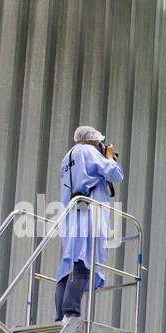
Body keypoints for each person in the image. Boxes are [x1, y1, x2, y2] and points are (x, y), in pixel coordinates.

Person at [57, 124, 124, 322]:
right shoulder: (88, 151)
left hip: (72, 215)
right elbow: (115, 174)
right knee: (84, 262)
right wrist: (110, 156)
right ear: (93, 140)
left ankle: (60, 314)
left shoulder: (68, 157)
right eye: (99, 142)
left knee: (68, 262)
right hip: (89, 216)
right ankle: (71, 312)